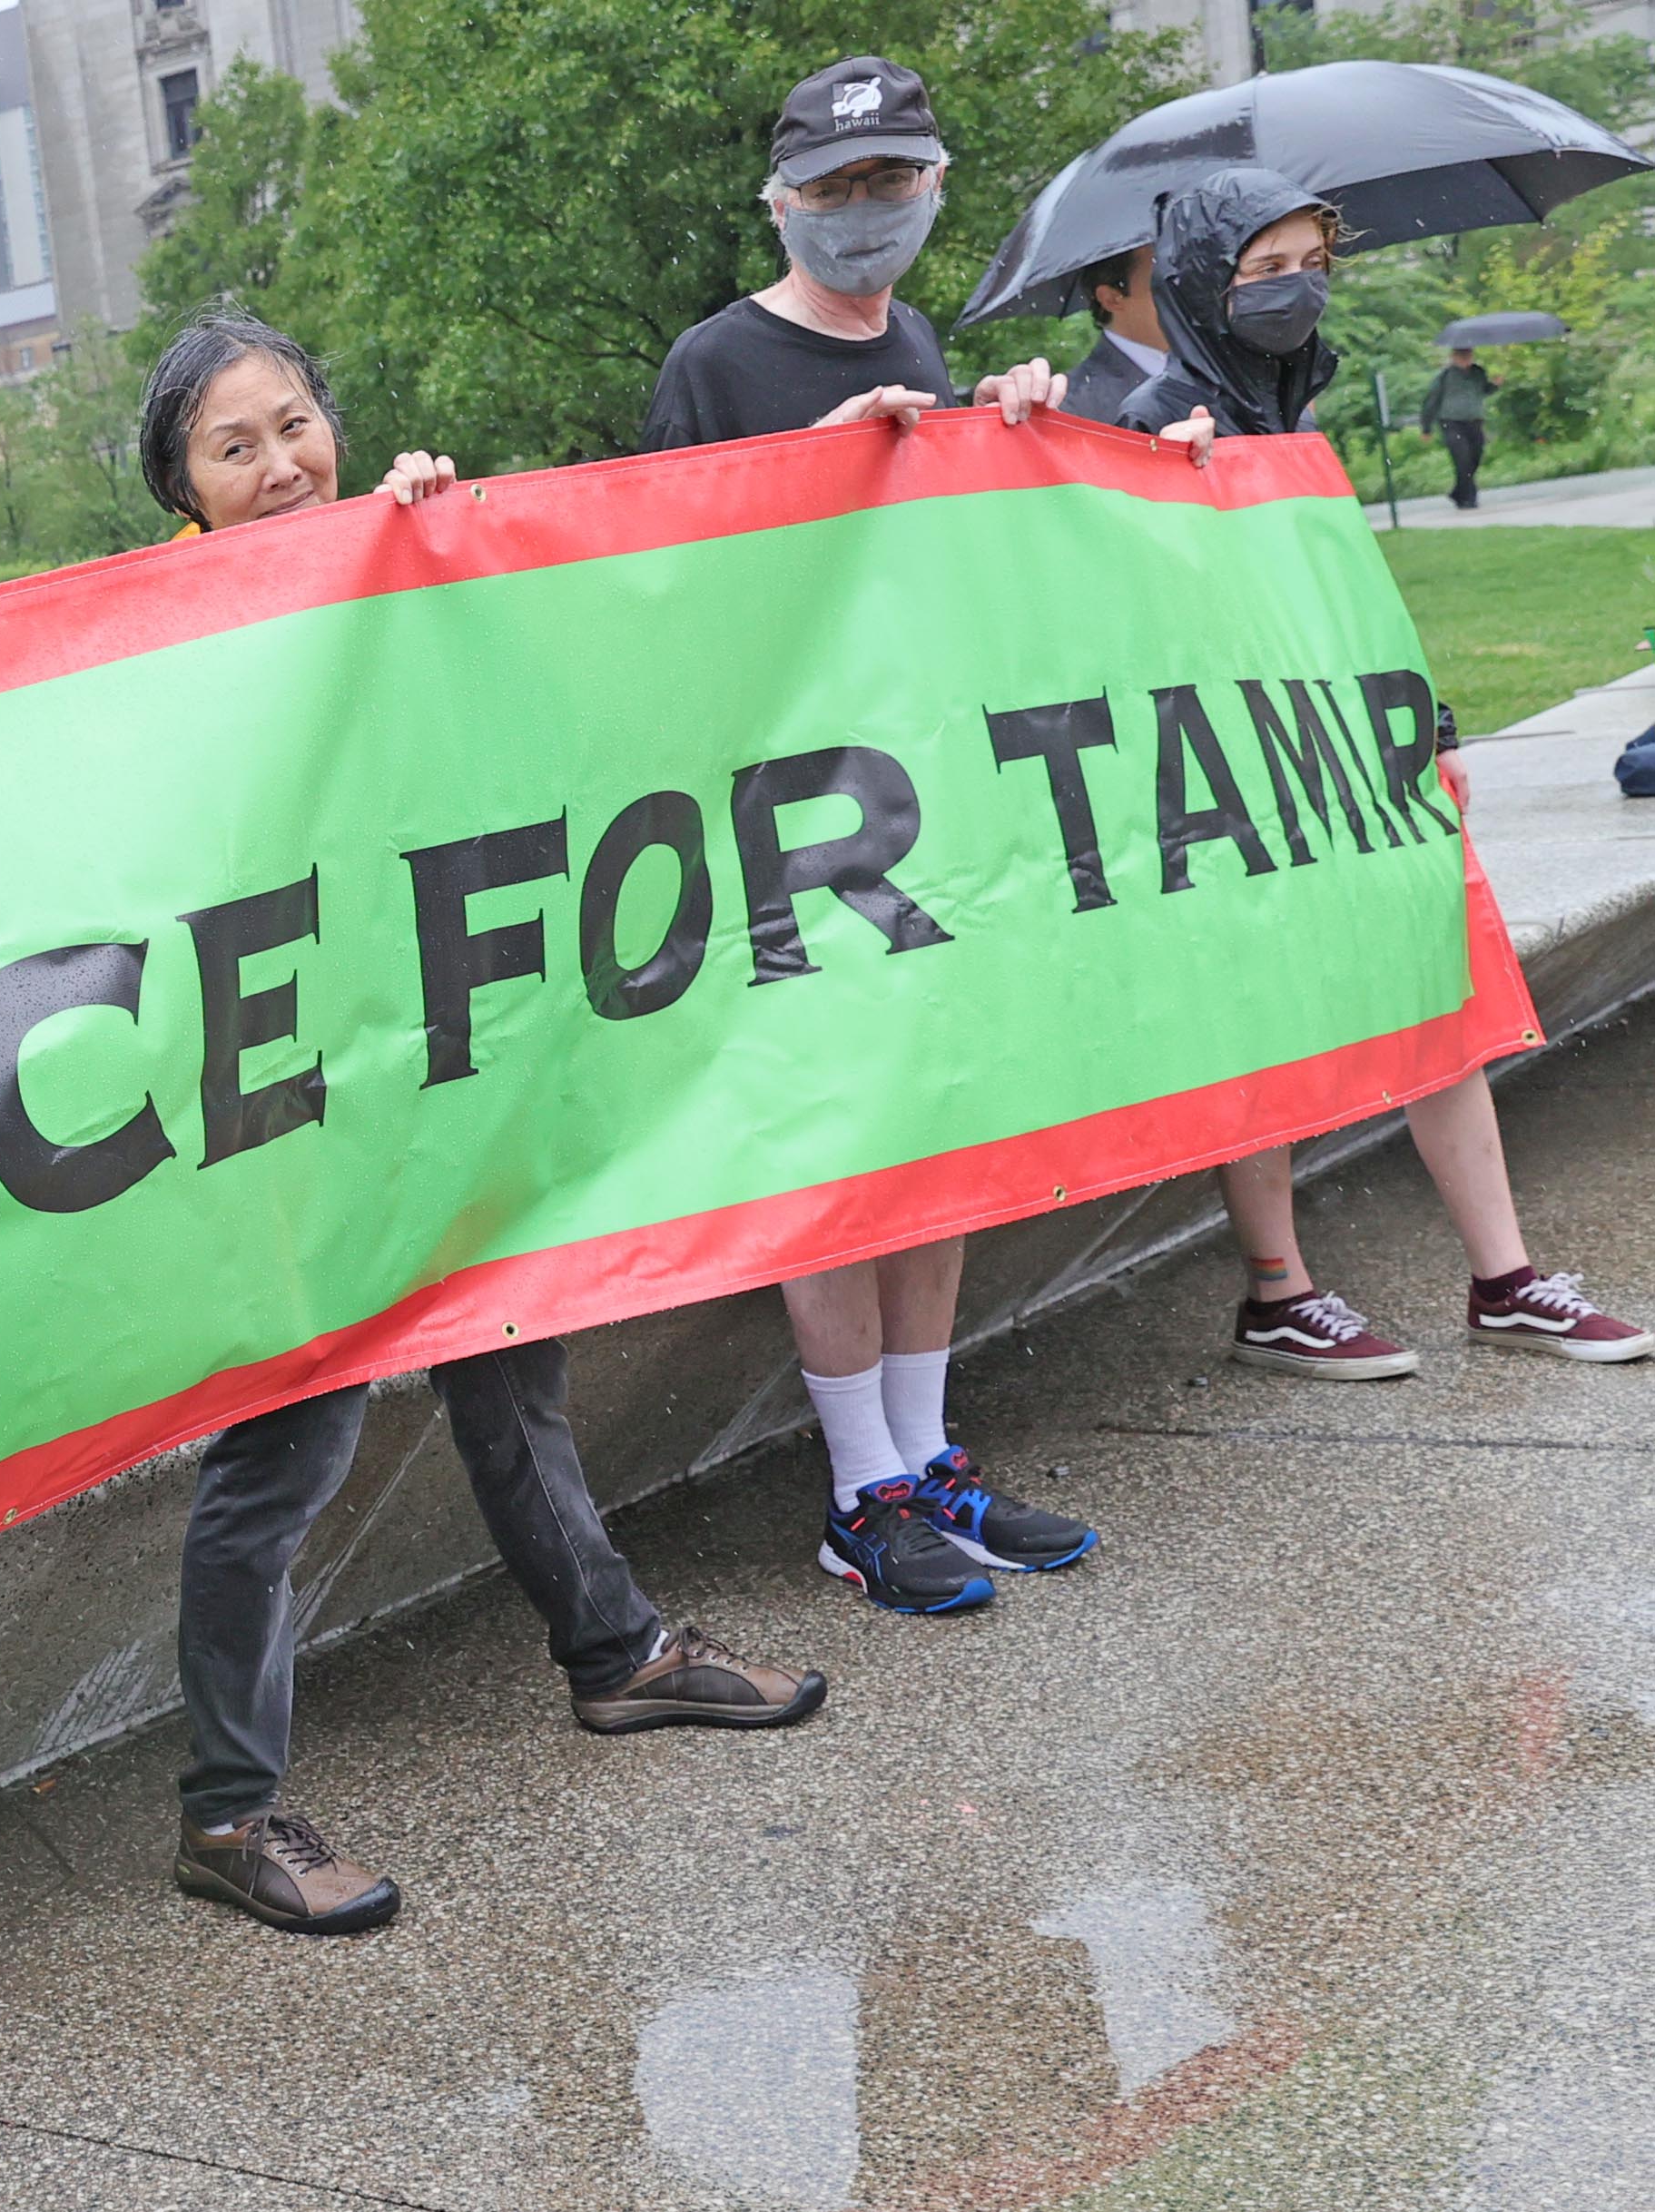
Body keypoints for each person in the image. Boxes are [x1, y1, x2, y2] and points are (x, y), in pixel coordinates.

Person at [127, 311, 827, 1939]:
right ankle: (226, 1812)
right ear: (181, 489)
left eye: (294, 423)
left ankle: (617, 1652)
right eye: (232, 446)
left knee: (510, 1353)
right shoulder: (154, 641)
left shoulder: (399, 564)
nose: (279, 463)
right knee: (285, 1445)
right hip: (286, 1098)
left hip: (429, 1057)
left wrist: (457, 550)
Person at [639, 54, 1127, 1617]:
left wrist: (1015, 438)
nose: (867, 213)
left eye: (892, 182)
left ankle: (927, 1453)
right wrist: (813, 471)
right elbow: (659, 595)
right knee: (839, 1144)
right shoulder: (716, 361)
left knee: (938, 1131)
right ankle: (861, 1488)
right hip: (793, 817)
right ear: (780, 202)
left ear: (934, 185)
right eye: (836, 189)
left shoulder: (920, 338)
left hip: (924, 801)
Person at [1098, 172, 1653, 1378]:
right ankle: (1275, 1291)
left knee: (1428, 987)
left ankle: (1504, 1278)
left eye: (1312, 263)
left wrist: (1430, 721)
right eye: (1264, 269)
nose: (1296, 289)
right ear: (1199, 284)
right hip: (1238, 765)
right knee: (1259, 1018)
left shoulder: (1290, 397)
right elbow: (1130, 619)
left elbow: (1344, 590)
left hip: (1348, 742)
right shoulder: (1153, 414)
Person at [1060, 248, 1172, 427]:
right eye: (1162, 283)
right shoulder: (1075, 406)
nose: (1183, 293)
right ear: (1111, 299)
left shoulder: (1209, 368)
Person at [1427, 344, 1494, 508]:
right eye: (1461, 355)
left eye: (1468, 355)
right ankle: (1469, 498)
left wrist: (1495, 385)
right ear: (1453, 357)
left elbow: (1484, 390)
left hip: (1474, 421)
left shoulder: (1478, 372)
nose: (1465, 359)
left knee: (1475, 457)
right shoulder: (1445, 376)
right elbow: (1432, 400)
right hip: (1452, 422)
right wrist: (1426, 427)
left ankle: (1458, 492)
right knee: (1462, 459)